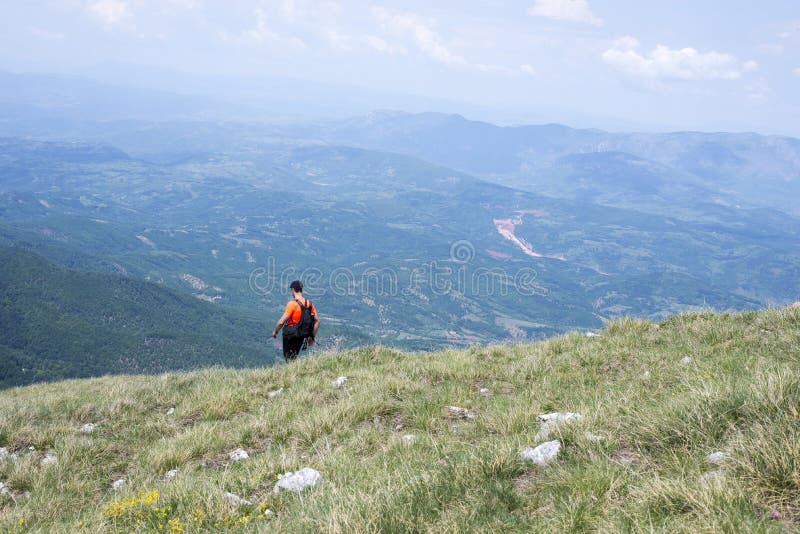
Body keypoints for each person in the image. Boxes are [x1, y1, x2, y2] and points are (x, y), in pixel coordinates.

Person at [272, 280, 320, 361]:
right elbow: (317, 321)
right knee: (294, 356)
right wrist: (312, 336)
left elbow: (281, 322)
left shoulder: (292, 304)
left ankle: (291, 368)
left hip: (290, 335)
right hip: (301, 335)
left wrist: (275, 331)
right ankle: (294, 367)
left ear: (293, 289)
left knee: (288, 358)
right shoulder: (309, 304)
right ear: (301, 290)